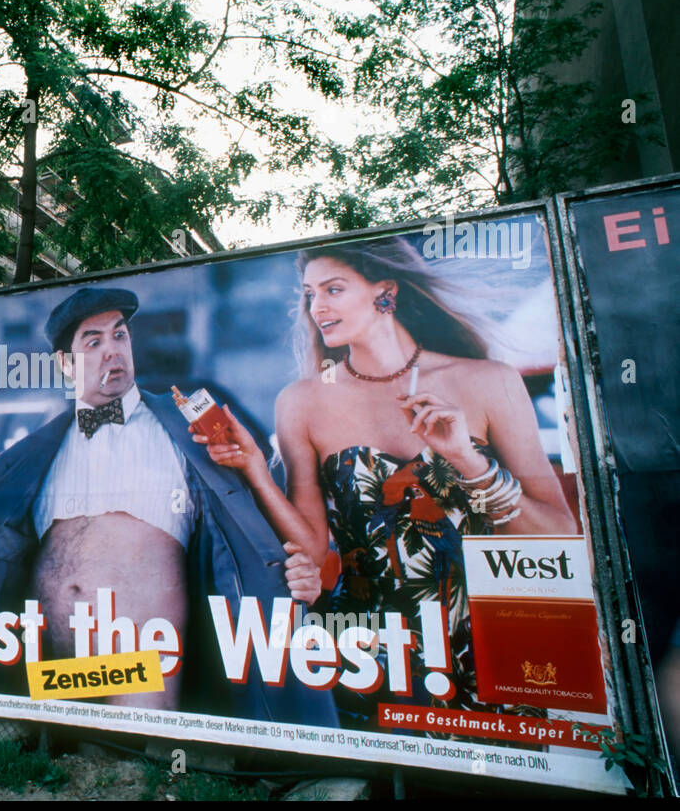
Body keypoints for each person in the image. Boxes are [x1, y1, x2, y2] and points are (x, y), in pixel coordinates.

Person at [191, 237, 577, 730]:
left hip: (490, 643)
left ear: (386, 294)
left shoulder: (488, 381)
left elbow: (558, 536)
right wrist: (255, 470)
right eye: (309, 294)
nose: (317, 307)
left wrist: (467, 461)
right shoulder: (302, 401)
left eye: (333, 289)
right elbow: (309, 547)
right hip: (372, 648)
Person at [0, 286, 337, 724]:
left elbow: (261, 529)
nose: (112, 351)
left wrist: (296, 572)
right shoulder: (34, 452)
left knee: (136, 775)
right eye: (93, 342)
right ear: (66, 365)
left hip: (143, 670)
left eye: (120, 335)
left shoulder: (193, 428)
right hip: (52, 670)